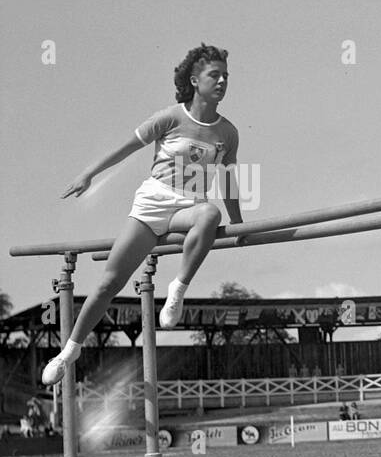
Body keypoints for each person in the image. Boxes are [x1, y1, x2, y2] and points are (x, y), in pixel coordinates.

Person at [41, 44, 243, 385]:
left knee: (210, 214)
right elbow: (125, 148)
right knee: (108, 283)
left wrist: (239, 225)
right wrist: (89, 174)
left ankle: (177, 291)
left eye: (226, 76)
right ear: (195, 80)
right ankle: (69, 351)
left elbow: (230, 180)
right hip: (152, 206)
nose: (222, 81)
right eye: (215, 75)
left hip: (189, 208)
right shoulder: (169, 117)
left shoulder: (228, 132)